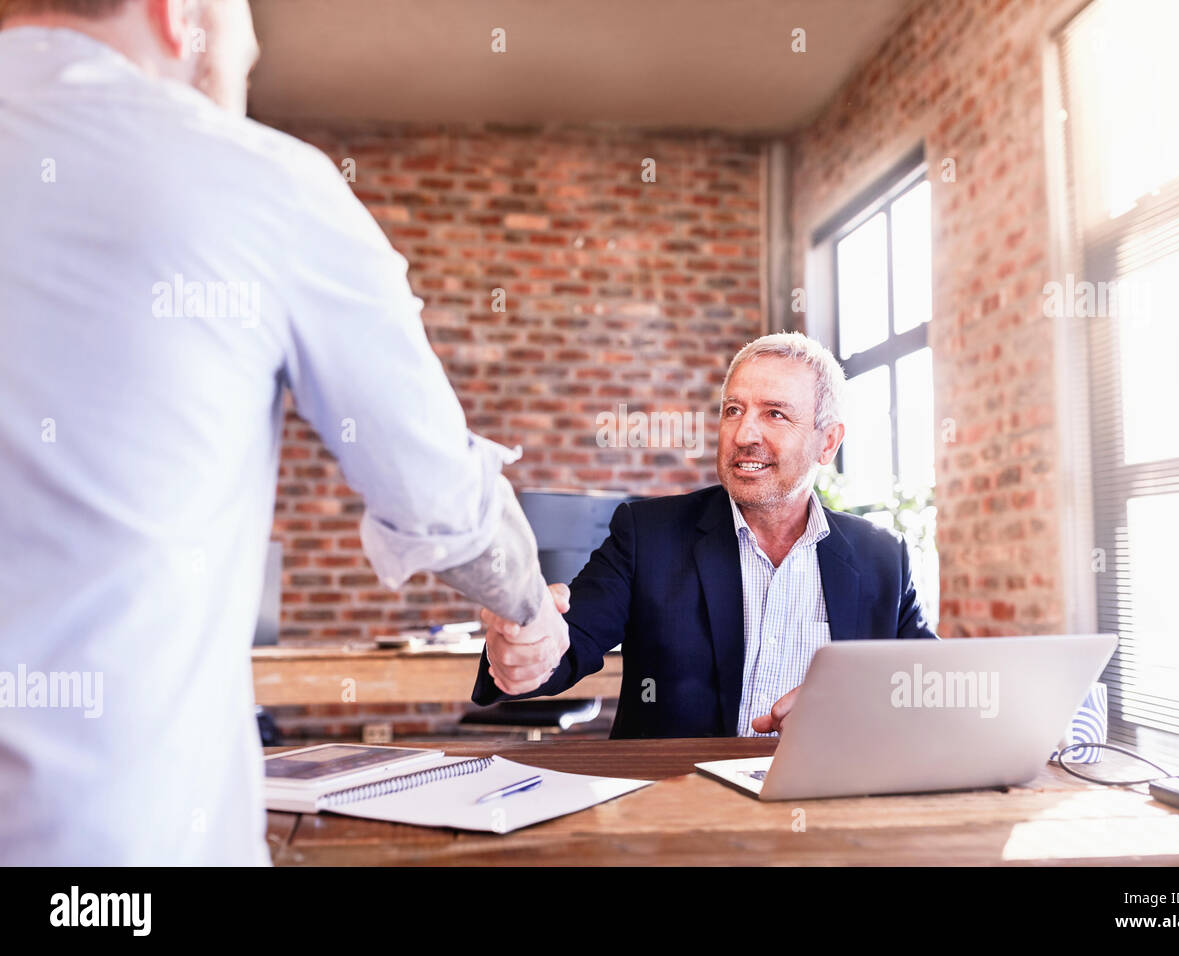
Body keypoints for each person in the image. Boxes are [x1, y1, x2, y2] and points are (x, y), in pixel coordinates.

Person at [0, 0, 565, 864]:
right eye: (242, 67)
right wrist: (529, 609)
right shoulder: (256, 178)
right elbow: (441, 504)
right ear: (171, 16)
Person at [476, 332, 939, 738]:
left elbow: (933, 690)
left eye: (775, 414)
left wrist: (857, 701)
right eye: (733, 410)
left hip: (824, 806)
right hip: (677, 809)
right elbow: (567, 642)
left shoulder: (882, 558)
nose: (743, 434)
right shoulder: (647, 535)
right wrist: (524, 652)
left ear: (828, 442)